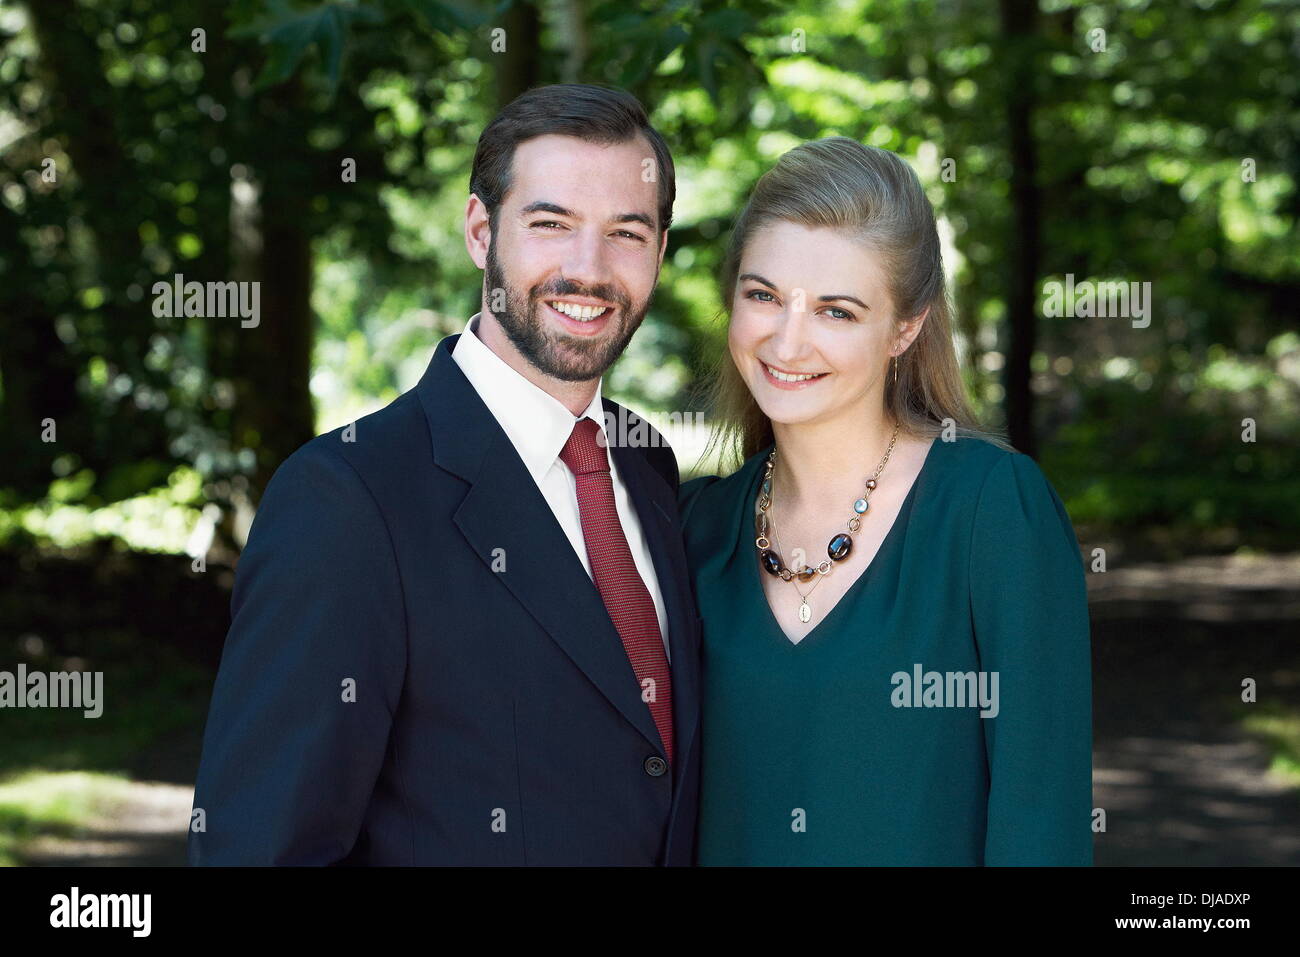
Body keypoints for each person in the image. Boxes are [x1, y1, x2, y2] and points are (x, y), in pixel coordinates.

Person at [189, 84, 701, 865]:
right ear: (479, 231)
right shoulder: (348, 498)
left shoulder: (646, 463)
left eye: (626, 233)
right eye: (551, 224)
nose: (588, 269)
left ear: (659, 255)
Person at [678, 137, 1093, 865]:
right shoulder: (692, 527)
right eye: (763, 295)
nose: (788, 339)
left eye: (837, 311)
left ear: (906, 326)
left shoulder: (992, 512)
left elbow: (1042, 824)